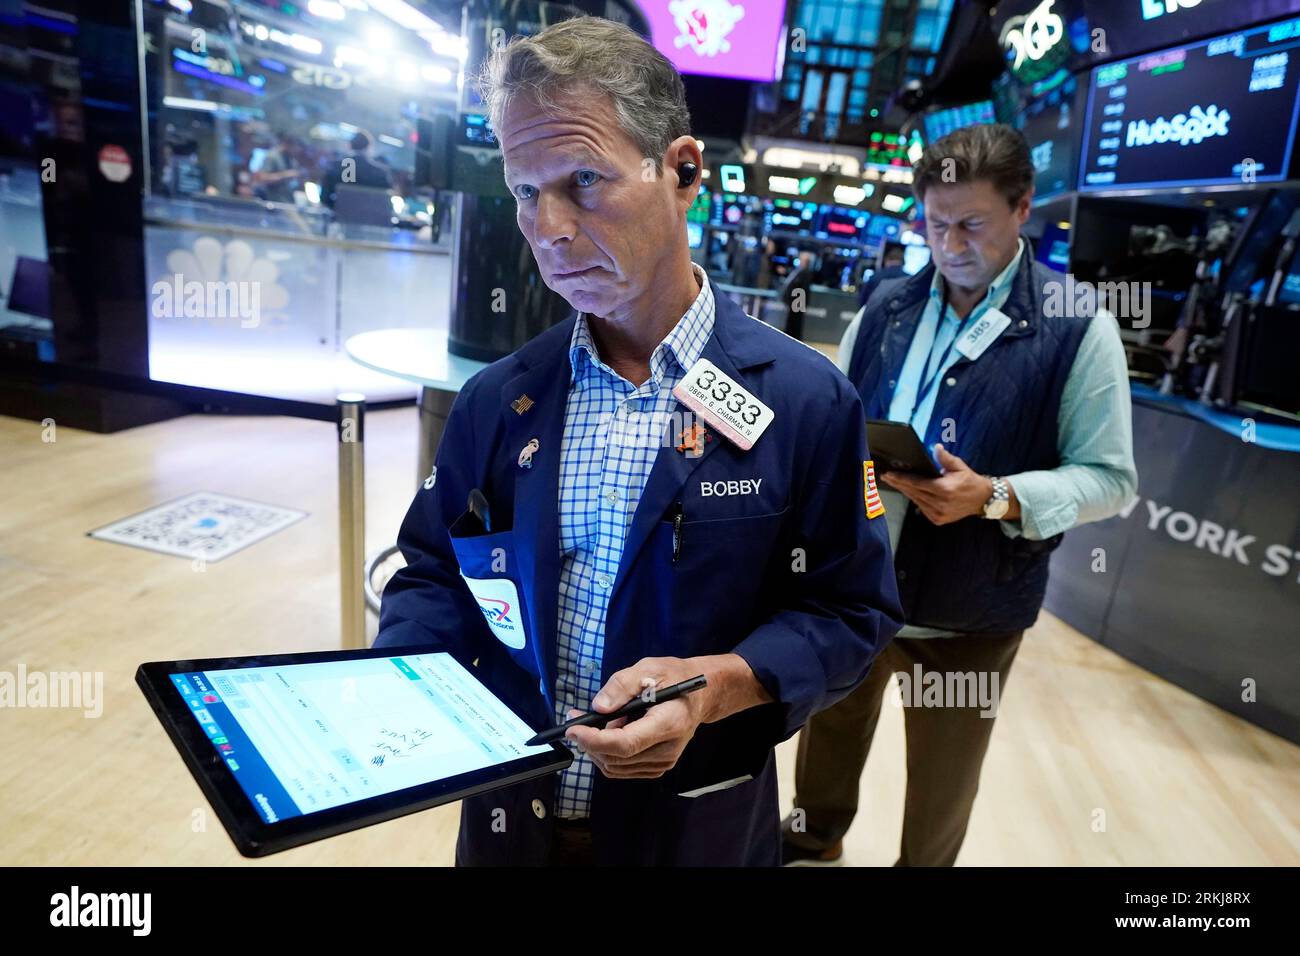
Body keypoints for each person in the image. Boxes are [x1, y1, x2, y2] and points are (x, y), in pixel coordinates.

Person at [374, 16, 902, 867]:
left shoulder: (806, 403)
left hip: (696, 834)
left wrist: (716, 689)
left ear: (683, 169)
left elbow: (851, 610)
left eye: (583, 179)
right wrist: (393, 685)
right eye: (523, 191)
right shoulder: (495, 403)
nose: (547, 226)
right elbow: (435, 571)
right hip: (514, 832)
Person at [784, 123, 1137, 866]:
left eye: (971, 224)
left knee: (943, 782)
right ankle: (815, 839)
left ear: (1022, 208)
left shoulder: (1078, 327)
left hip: (973, 612)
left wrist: (997, 496)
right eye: (936, 223)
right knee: (830, 738)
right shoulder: (886, 306)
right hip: (860, 589)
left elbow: (1110, 479)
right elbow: (839, 420)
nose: (950, 243)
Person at [322, 130, 393, 209]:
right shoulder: (381, 173)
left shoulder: (335, 167)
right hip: (369, 219)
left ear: (350, 145)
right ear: (369, 147)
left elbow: (324, 198)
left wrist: (339, 208)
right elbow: (385, 203)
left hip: (340, 218)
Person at [779, 249, 816, 341]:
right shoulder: (798, 270)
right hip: (793, 304)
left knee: (795, 326)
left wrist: (797, 304)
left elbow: (801, 289)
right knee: (791, 325)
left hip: (797, 305)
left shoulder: (806, 273)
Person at [858, 243, 907, 308]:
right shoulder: (908, 280)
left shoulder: (875, 277)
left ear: (886, 260)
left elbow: (862, 301)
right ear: (903, 262)